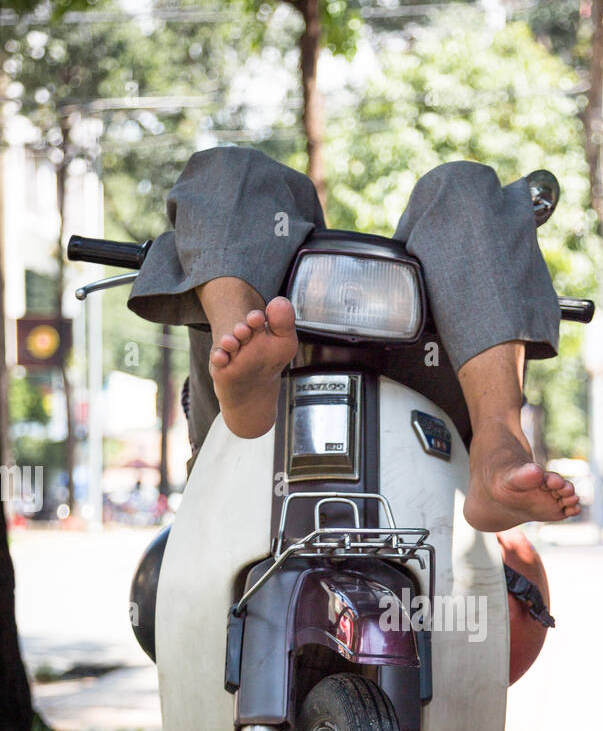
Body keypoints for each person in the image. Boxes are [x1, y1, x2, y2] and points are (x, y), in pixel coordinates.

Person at [129, 147, 580, 532]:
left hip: (414, 389)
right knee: (230, 166)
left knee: (464, 185)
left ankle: (497, 446)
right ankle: (243, 361)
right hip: (277, 374)